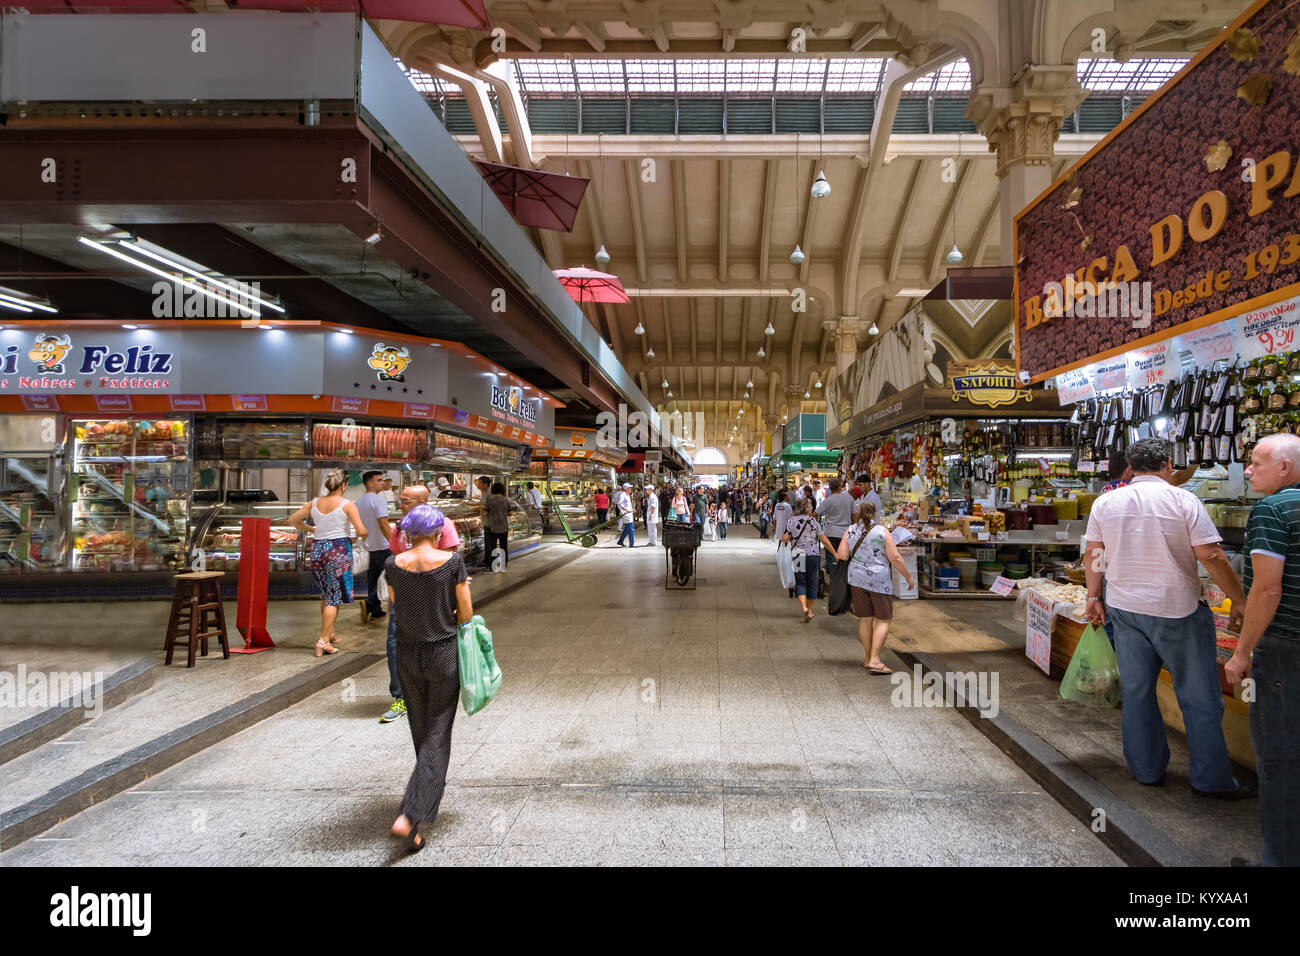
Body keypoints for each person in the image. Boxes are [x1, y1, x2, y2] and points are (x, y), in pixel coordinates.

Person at [1083, 438, 1251, 798]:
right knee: (1199, 697)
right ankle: (1212, 780)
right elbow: (1213, 556)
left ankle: (1146, 771)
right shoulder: (1183, 500)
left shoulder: (1106, 502)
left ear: (1130, 467)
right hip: (1179, 610)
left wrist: (1093, 596)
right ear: (1169, 464)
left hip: (1125, 608)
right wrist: (1239, 599)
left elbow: (1094, 555)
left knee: (1138, 691)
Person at [1226, 433, 1300, 865]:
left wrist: (1242, 652)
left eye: (1255, 462)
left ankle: (1279, 859)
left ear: (1285, 468)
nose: (1248, 470)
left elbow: (1268, 590)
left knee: (1279, 756)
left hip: (1285, 649)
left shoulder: (1273, 509)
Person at [384, 505, 473, 853]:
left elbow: (396, 605)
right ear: (438, 533)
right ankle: (409, 814)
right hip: (442, 655)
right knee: (438, 732)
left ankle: (415, 821)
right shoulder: (452, 563)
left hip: (407, 655)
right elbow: (466, 613)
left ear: (407, 533)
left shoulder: (393, 565)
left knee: (422, 731)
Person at [379, 484, 461, 724]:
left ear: (422, 502)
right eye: (401, 500)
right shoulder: (399, 526)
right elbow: (394, 558)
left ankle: (436, 692)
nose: (400, 504)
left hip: (435, 599)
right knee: (395, 645)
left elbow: (451, 560)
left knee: (438, 645)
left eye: (406, 501)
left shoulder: (442, 523)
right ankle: (402, 696)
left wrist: (455, 601)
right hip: (405, 599)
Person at [287, 469, 368, 656]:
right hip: (337, 551)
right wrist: (359, 537)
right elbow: (361, 530)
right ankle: (323, 641)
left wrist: (310, 529)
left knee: (327, 594)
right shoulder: (347, 504)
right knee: (334, 597)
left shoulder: (313, 502)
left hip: (317, 552)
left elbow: (293, 520)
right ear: (344, 485)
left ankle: (329, 633)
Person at [837, 499, 915, 673]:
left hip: (856, 580)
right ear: (874, 514)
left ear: (858, 514)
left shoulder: (850, 530)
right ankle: (875, 659)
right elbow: (894, 557)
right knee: (884, 619)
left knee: (865, 619)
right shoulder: (882, 531)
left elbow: (842, 555)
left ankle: (867, 658)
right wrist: (908, 577)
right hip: (879, 581)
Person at [782, 498, 837, 624]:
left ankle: (804, 608)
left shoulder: (791, 521)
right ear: (808, 508)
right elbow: (824, 540)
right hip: (813, 556)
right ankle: (810, 610)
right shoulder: (814, 522)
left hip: (798, 555)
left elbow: (784, 538)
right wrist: (835, 553)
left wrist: (792, 539)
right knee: (812, 582)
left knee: (800, 582)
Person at [357, 470, 393, 624]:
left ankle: (374, 608)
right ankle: (374, 603)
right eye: (379, 480)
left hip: (369, 546)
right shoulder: (378, 500)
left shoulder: (360, 501)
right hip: (382, 546)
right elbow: (383, 523)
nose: (382, 483)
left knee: (373, 578)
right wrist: (393, 542)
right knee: (392, 577)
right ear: (370, 483)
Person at [817, 476, 854, 571]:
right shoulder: (849, 499)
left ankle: (832, 578)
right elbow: (854, 516)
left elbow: (814, 514)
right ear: (840, 486)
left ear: (830, 488)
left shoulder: (828, 501)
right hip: (845, 533)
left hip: (831, 533)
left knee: (831, 559)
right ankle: (842, 579)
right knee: (845, 558)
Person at [483, 481, 522, 571]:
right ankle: (503, 566)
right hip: (503, 527)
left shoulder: (490, 500)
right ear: (502, 490)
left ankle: (493, 567)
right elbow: (510, 513)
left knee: (493, 547)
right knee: (503, 546)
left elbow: (485, 513)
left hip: (493, 527)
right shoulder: (505, 500)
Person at [615, 483, 637, 547]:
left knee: (627, 529)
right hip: (626, 514)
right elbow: (620, 504)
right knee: (631, 528)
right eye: (629, 488)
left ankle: (620, 541)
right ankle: (631, 543)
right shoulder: (623, 495)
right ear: (626, 489)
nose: (630, 489)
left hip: (629, 513)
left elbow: (627, 505)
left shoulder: (627, 495)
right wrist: (626, 510)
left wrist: (631, 509)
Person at [645, 481, 661, 547]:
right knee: (650, 529)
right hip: (651, 515)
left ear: (650, 490)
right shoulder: (651, 496)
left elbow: (653, 507)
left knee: (652, 529)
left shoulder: (652, 497)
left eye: (647, 489)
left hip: (652, 516)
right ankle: (651, 541)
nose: (646, 490)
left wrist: (651, 515)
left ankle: (653, 542)